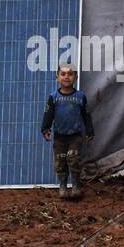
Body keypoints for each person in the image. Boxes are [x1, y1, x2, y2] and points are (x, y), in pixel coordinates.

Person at [41, 63, 94, 200]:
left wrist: (89, 130)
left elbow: (86, 115)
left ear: (76, 77)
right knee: (60, 161)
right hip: (59, 137)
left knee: (74, 159)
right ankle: (63, 186)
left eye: (70, 74)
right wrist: (46, 129)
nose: (66, 77)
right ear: (57, 78)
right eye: (63, 74)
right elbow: (48, 114)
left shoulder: (80, 97)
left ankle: (76, 185)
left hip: (75, 136)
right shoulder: (53, 98)